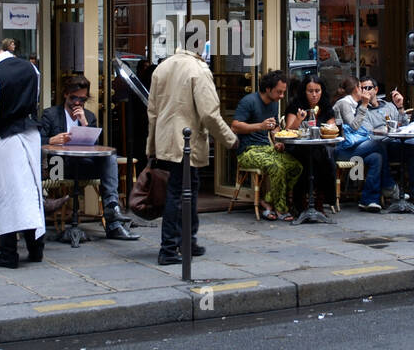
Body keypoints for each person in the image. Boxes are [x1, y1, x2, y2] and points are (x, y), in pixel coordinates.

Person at [147, 33, 237, 266]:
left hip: (166, 141)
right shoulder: (198, 70)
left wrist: (152, 146)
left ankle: (187, 241)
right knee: (179, 194)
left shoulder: (162, 68)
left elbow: (153, 112)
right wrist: (230, 140)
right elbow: (209, 113)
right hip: (185, 143)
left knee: (185, 190)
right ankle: (169, 248)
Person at [0, 33, 46, 268]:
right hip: (31, 133)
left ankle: (8, 253)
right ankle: (36, 248)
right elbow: (33, 101)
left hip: (7, 138)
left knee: (9, 195)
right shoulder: (31, 69)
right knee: (32, 189)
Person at [39, 73, 139, 240]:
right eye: (73, 98)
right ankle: (112, 222)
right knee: (61, 162)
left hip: (83, 165)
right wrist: (51, 140)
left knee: (110, 157)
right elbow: (36, 141)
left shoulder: (89, 117)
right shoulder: (51, 114)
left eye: (82, 100)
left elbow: (97, 146)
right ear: (65, 94)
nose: (77, 103)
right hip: (59, 167)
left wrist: (85, 124)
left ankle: (112, 211)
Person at [232, 70, 303, 221]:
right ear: (268, 89)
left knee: (296, 166)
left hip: (266, 148)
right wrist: (260, 126)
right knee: (276, 166)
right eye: (279, 92)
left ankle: (268, 200)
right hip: (247, 150)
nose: (282, 96)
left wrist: (277, 141)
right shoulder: (249, 101)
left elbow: (274, 127)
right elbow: (235, 126)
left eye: (284, 92)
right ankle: (281, 209)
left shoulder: (273, 104)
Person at [283, 73, 338, 213]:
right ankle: (304, 203)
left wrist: (327, 129)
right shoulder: (296, 106)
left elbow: (332, 128)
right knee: (315, 160)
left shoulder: (325, 107)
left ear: (322, 91)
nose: (314, 95)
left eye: (317, 91)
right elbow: (288, 130)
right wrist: (299, 120)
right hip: (297, 147)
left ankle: (318, 202)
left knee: (323, 158)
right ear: (304, 91)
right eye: (310, 91)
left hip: (318, 147)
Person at [332, 76, 386, 212]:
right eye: (362, 88)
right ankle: (390, 186)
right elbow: (354, 126)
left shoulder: (353, 104)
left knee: (376, 158)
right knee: (378, 143)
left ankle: (369, 200)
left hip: (354, 148)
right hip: (342, 150)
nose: (364, 91)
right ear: (356, 88)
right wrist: (364, 105)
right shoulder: (344, 103)